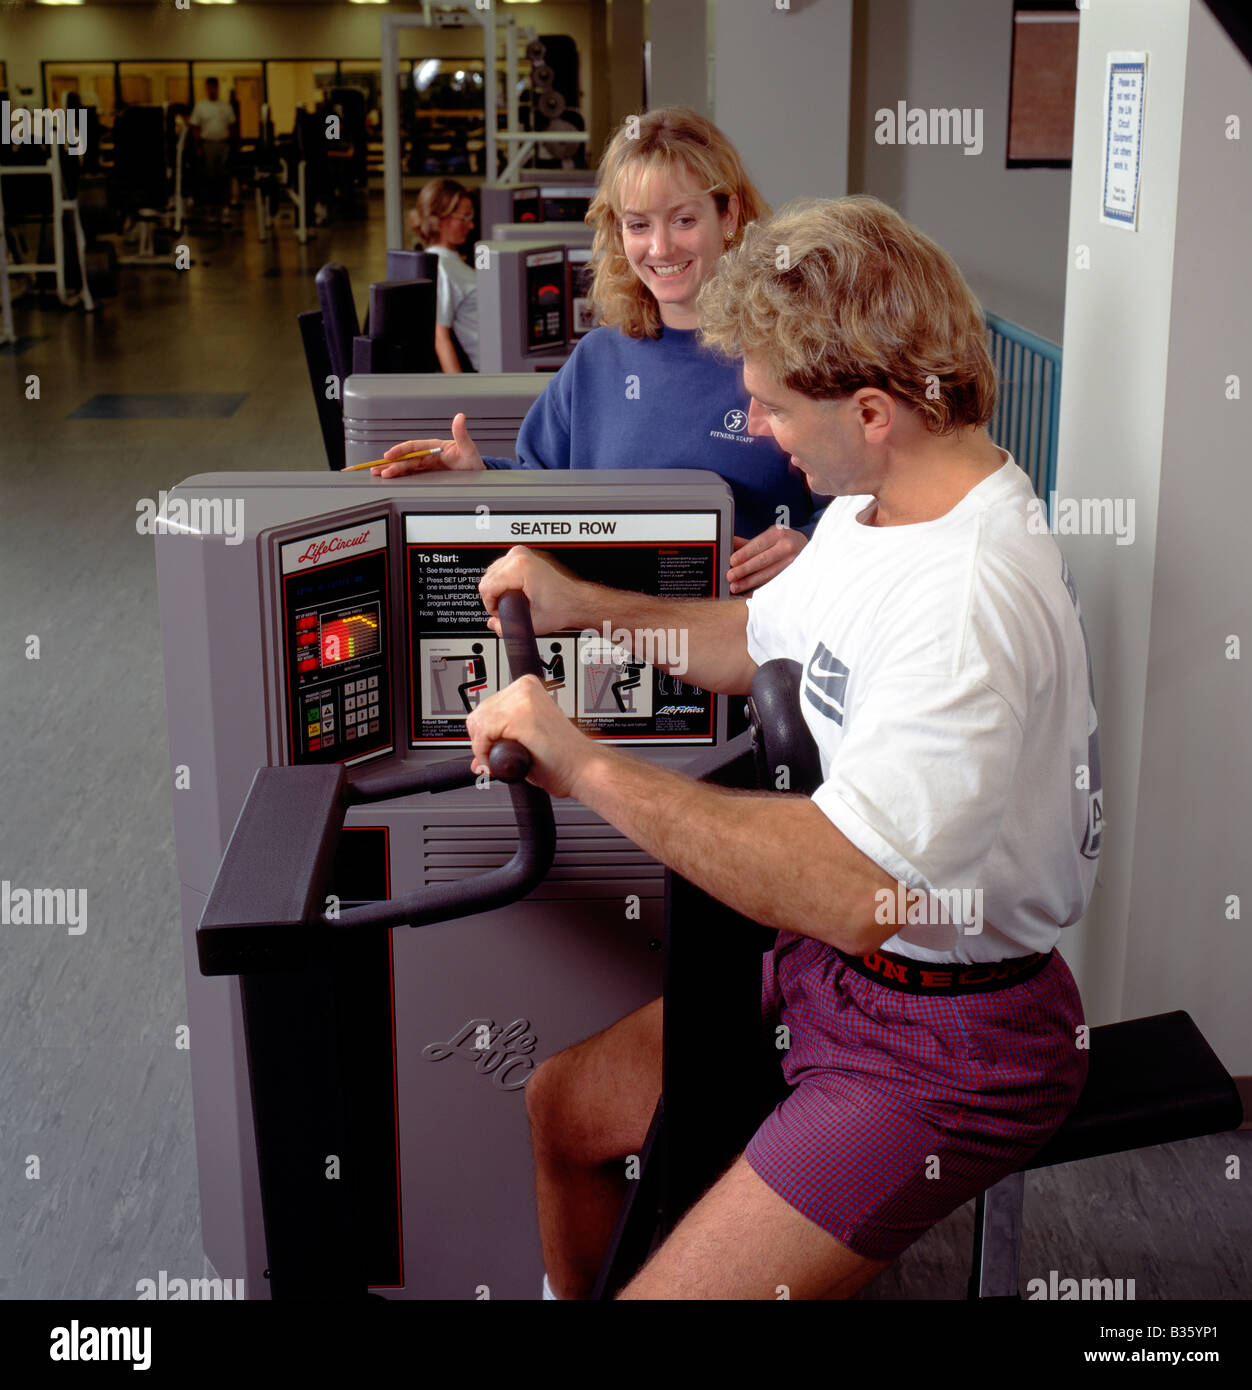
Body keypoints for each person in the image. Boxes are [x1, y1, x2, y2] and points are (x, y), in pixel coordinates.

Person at [462, 195, 1101, 1300]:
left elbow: (863, 890)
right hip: (837, 971)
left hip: (949, 1042)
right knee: (565, 1108)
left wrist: (582, 763)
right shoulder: (872, 505)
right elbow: (755, 635)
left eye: (768, 406)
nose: (754, 429)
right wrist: (582, 605)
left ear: (871, 409)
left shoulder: (967, 596)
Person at [363, 107, 822, 596]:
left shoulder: (790, 358)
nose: (661, 247)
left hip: (743, 644)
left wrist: (812, 547)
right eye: (639, 225)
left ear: (729, 216)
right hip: (613, 641)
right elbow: (539, 485)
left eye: (684, 219)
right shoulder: (597, 360)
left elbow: (868, 504)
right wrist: (477, 473)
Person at [409, 178, 479, 373]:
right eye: (464, 218)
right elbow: (440, 336)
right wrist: (460, 397)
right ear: (439, 221)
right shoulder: (441, 268)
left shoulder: (452, 262)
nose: (471, 225)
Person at [188, 77, 236, 226]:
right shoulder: (201, 106)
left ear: (217, 88)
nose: (212, 90)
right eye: (209, 87)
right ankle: (210, 210)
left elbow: (232, 126)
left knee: (223, 176)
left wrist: (233, 146)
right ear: (206, 88)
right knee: (209, 178)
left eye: (214, 87)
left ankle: (225, 209)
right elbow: (195, 128)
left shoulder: (225, 106)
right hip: (207, 145)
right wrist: (197, 147)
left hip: (223, 144)